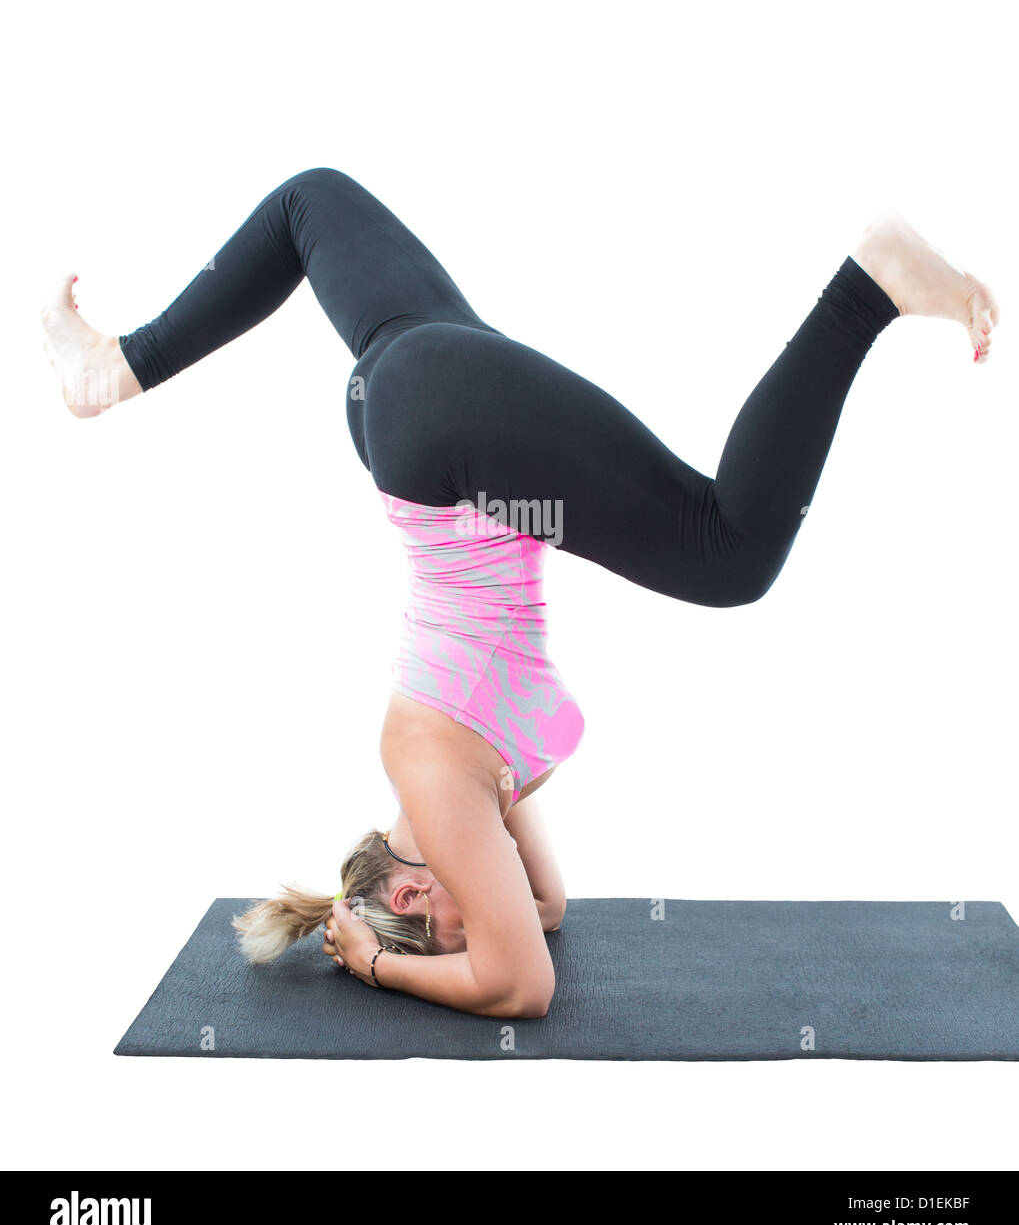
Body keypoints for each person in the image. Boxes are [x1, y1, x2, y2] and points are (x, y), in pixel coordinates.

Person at [41, 168, 999, 1017]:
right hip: (428, 403)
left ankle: (864, 285)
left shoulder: (435, 782)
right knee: (311, 201)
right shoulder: (469, 796)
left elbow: (518, 985)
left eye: (449, 929)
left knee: (728, 555)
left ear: (415, 894)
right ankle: (114, 373)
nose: (485, 919)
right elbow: (542, 913)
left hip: (443, 427)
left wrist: (380, 965)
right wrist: (391, 918)